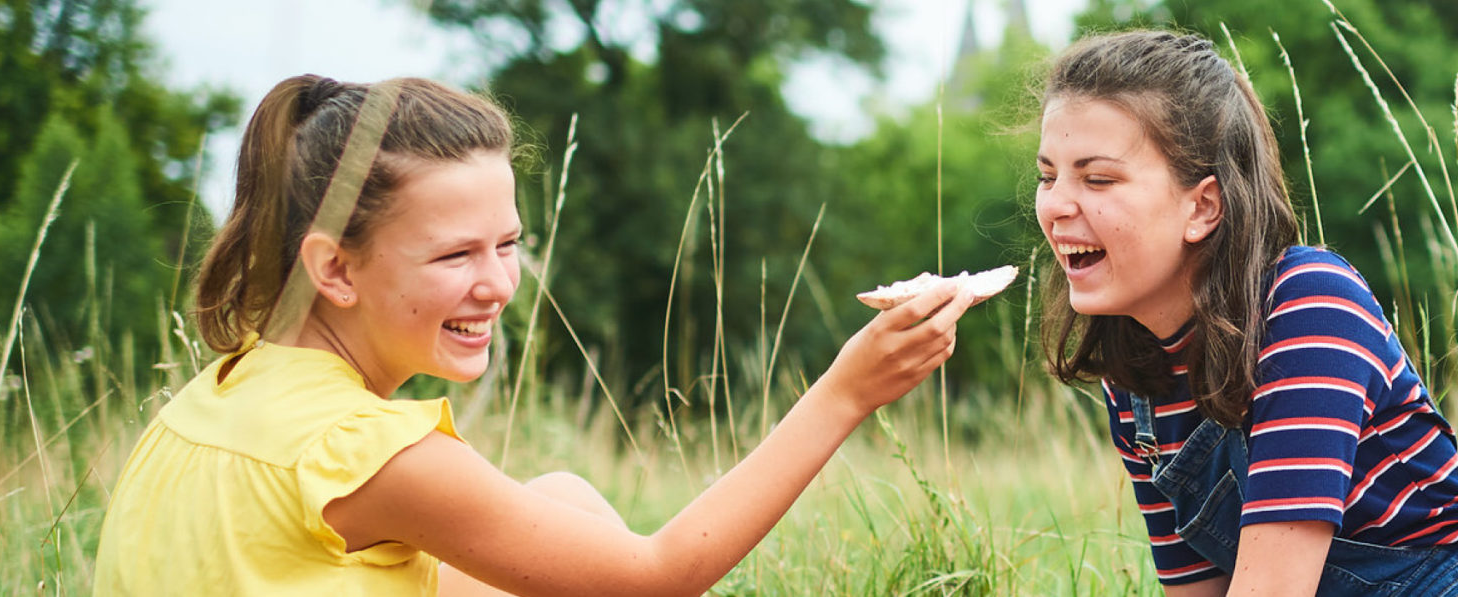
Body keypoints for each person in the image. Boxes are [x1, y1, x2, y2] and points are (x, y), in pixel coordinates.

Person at [92, 75, 981, 595]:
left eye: (508, 242)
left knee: (561, 497)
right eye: (453, 254)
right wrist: (846, 391)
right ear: (335, 269)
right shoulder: (371, 452)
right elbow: (658, 574)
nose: (498, 282)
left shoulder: (221, 392)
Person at [1032, 30, 1458, 595]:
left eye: (1098, 178)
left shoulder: (1307, 304)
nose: (1056, 204)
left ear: (1202, 205)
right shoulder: (1133, 375)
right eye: (1047, 175)